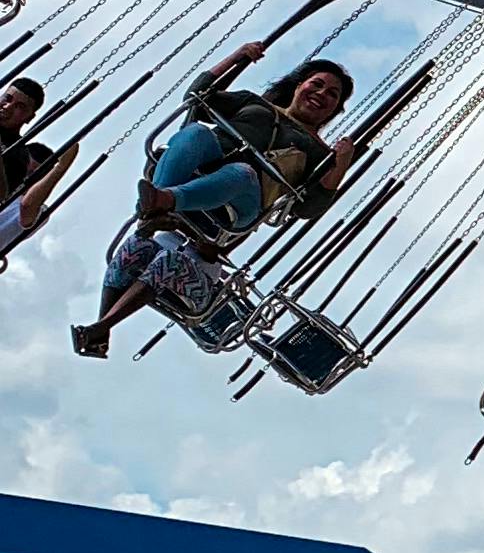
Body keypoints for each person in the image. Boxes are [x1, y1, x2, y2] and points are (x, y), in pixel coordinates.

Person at [72, 40, 359, 359]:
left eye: (332, 94)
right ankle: (159, 205)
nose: (321, 94)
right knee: (194, 135)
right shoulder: (256, 104)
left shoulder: (318, 152)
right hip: (199, 177)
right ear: (298, 85)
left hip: (242, 202)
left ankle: (163, 203)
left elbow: (311, 207)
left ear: (336, 109)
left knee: (240, 174)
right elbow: (197, 97)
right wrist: (237, 58)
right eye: (317, 84)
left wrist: (341, 164)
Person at [0, 77, 75, 272]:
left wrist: (61, 168)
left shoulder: (16, 156)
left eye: (19, 107)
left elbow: (5, 197)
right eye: (6, 99)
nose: (7, 107)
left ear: (29, 117)